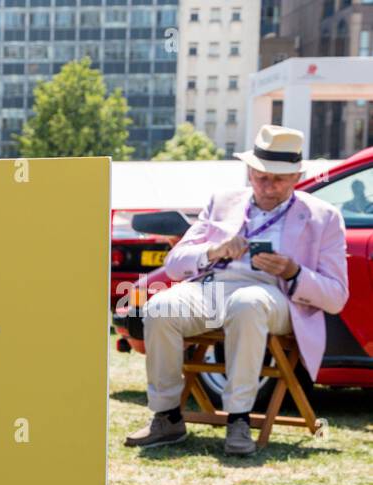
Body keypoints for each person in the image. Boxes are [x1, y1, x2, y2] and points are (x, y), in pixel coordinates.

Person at [125, 125, 348, 456]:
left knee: (247, 303)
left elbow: (337, 295)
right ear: (249, 171)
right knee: (161, 308)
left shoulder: (323, 217)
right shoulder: (223, 201)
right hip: (215, 288)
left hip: (277, 293)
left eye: (278, 179)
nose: (267, 186)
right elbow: (174, 264)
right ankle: (167, 415)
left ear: (297, 176)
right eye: (260, 177)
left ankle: (239, 419)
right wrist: (213, 251)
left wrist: (293, 271)